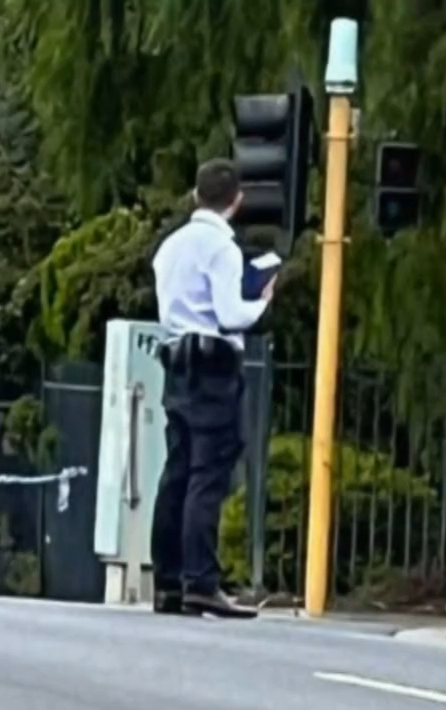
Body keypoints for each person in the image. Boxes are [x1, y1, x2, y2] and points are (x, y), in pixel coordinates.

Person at [149, 159, 276, 619]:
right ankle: (200, 581)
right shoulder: (221, 248)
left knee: (178, 470)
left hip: (177, 361)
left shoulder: (170, 247)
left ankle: (167, 581)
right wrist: (261, 301)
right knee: (209, 472)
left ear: (195, 195)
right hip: (214, 366)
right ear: (236, 199)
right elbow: (229, 313)